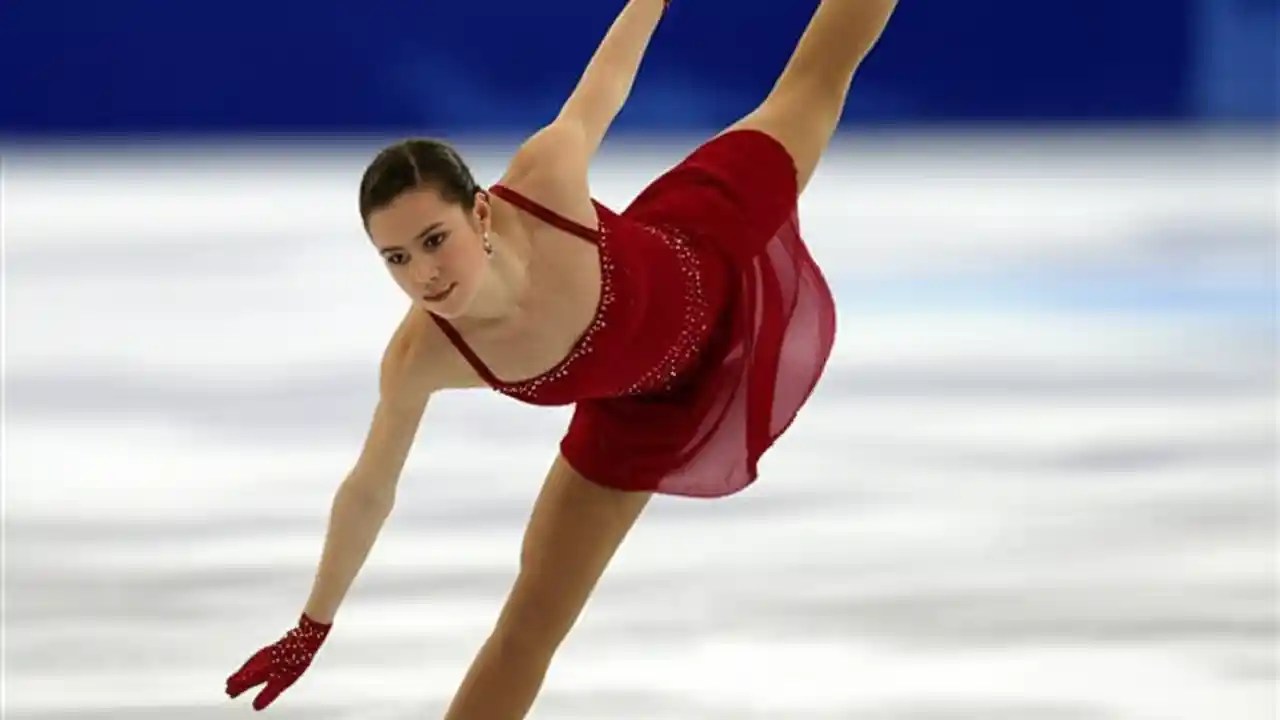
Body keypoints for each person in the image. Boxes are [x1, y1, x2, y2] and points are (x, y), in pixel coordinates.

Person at [225, 0, 899, 716]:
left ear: (480, 212)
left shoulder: (543, 182)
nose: (423, 274)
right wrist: (314, 624)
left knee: (816, 80)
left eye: (434, 240)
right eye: (396, 258)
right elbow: (369, 489)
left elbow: (609, 78)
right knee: (528, 627)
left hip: (706, 241)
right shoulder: (422, 354)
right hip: (636, 419)